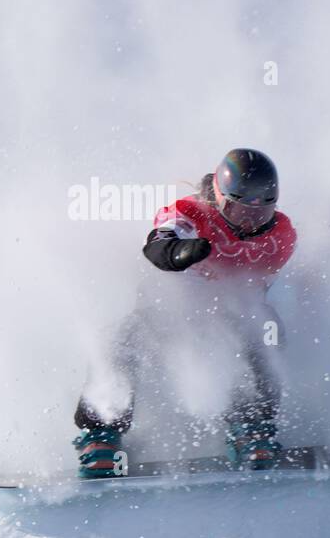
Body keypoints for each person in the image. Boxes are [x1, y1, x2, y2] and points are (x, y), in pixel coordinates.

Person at [73, 148, 297, 477]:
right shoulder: (189, 213)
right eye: (238, 210)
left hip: (226, 314)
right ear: (219, 198)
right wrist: (180, 252)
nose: (249, 223)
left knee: (266, 331)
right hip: (169, 312)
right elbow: (159, 244)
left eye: (260, 213)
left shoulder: (279, 236)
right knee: (120, 341)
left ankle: (252, 427)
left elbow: (260, 289)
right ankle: (101, 433)